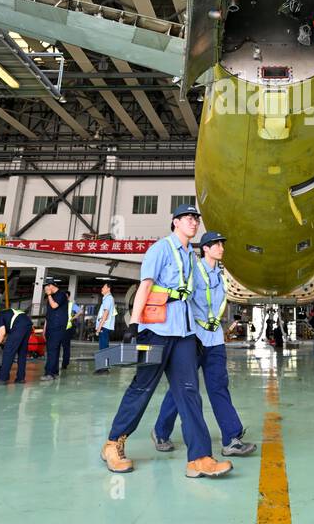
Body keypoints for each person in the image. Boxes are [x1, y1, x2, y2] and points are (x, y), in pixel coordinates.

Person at [99, 205, 231, 479]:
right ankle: (113, 444)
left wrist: (198, 332)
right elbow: (146, 286)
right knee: (142, 387)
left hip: (183, 334)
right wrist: (133, 325)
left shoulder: (192, 257)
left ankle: (199, 458)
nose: (194, 223)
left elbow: (191, 297)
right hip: (157, 330)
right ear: (175, 223)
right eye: (188, 218)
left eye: (196, 219)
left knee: (189, 391)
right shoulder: (160, 249)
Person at [152, 232, 257, 457]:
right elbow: (182, 302)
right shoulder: (193, 272)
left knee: (219, 387)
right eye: (216, 244)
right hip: (193, 339)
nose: (221, 248)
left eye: (222, 244)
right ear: (205, 249)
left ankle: (231, 439)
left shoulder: (221, 276)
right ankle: (161, 431)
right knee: (183, 388)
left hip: (215, 340)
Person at [41, 279, 75, 380]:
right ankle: (54, 372)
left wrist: (49, 295)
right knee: (53, 350)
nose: (45, 290)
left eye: (46, 288)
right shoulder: (52, 296)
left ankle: (49, 373)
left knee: (52, 350)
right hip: (51, 326)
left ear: (51, 286)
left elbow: (54, 306)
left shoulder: (61, 295)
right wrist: (44, 329)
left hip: (57, 327)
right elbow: (49, 314)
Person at [0, 304, 32, 384]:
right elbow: (7, 333)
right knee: (22, 353)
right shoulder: (6, 314)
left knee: (8, 352)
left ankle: (2, 378)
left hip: (19, 326)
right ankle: (20, 378)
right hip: (27, 324)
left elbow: (2, 332)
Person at [93, 282, 116, 375]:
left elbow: (105, 314)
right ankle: (102, 367)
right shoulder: (107, 299)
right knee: (103, 347)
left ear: (108, 289)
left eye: (104, 287)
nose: (102, 288)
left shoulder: (108, 298)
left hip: (104, 326)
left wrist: (99, 328)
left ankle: (104, 369)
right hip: (105, 326)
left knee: (103, 348)